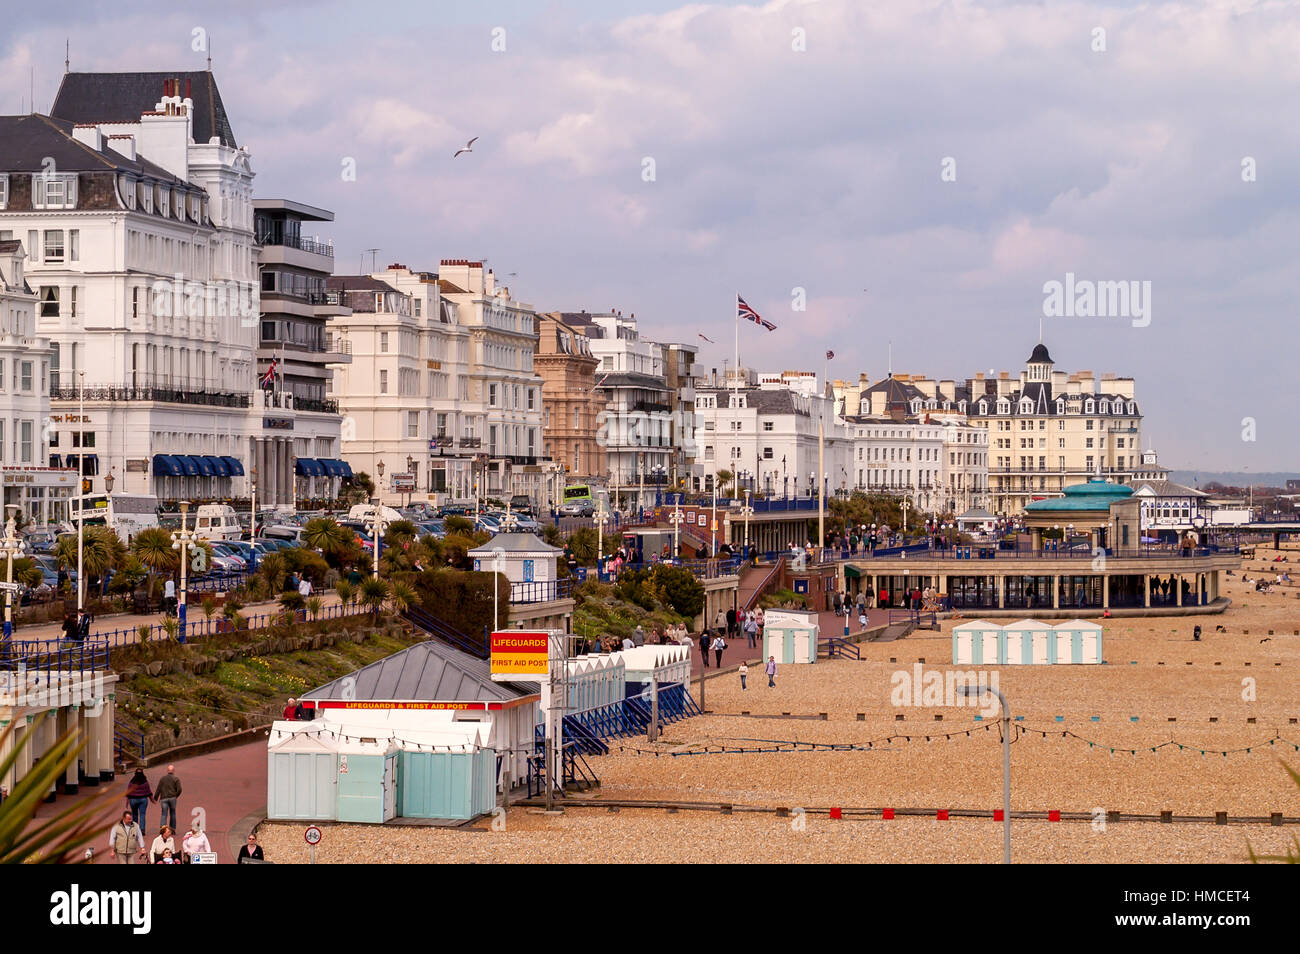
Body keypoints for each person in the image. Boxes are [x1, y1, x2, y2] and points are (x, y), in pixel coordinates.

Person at [153, 764, 182, 831]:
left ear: (167, 771)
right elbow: (179, 789)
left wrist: (155, 798)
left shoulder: (162, 779)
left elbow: (158, 789)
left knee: (164, 814)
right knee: (173, 813)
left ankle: (163, 828)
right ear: (173, 771)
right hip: (172, 798)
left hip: (164, 798)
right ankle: (172, 828)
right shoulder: (176, 779)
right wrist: (175, 795)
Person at [124, 768, 152, 833]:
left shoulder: (132, 782)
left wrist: (126, 803)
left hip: (133, 800)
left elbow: (128, 792)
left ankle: (135, 829)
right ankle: (142, 829)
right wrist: (152, 800)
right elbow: (148, 791)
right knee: (142, 814)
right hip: (143, 799)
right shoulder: (145, 782)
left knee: (134, 814)